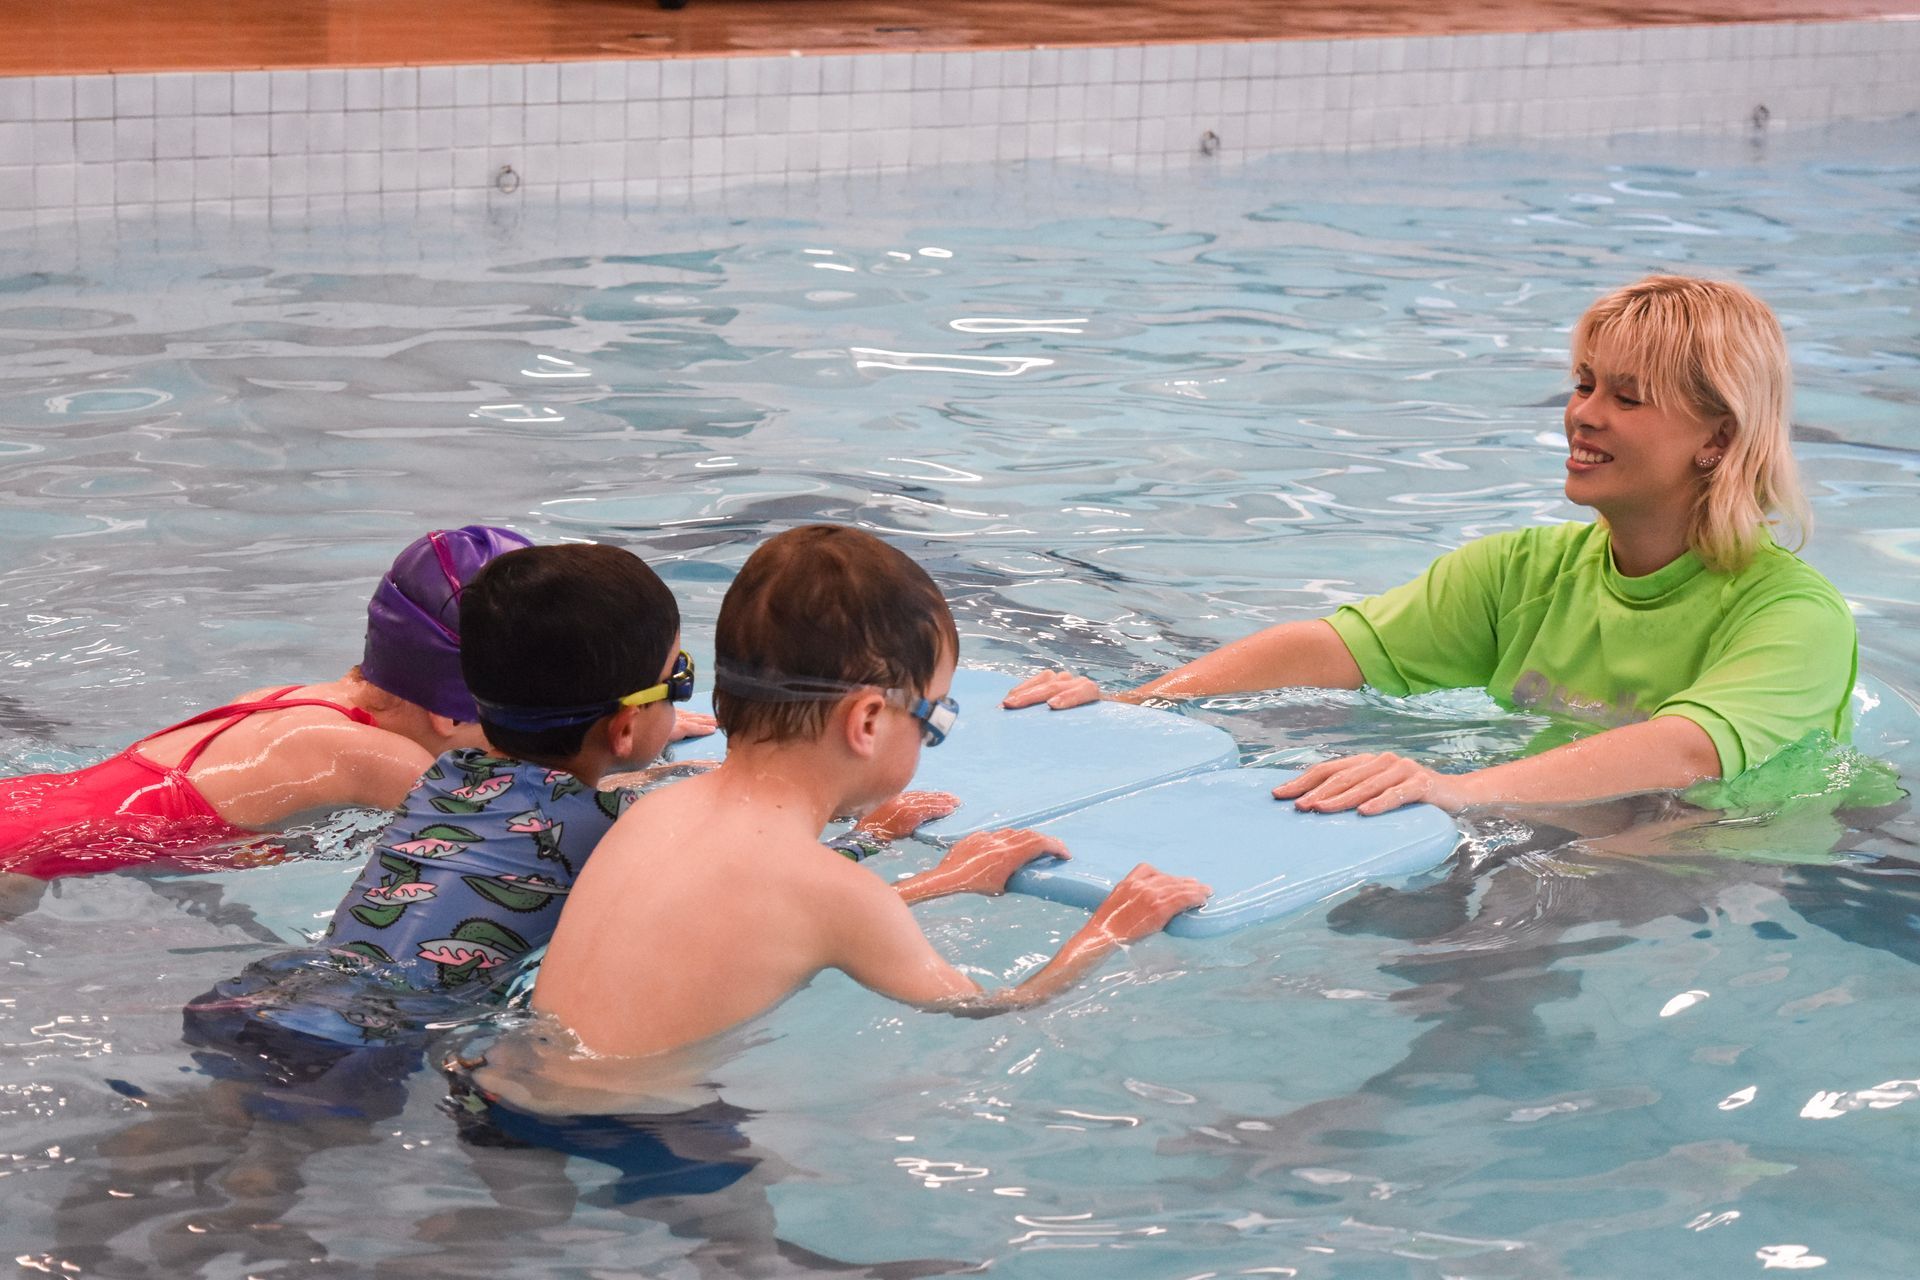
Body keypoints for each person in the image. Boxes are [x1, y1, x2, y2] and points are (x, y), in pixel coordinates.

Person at [1006, 275, 1858, 817]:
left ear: (1718, 437)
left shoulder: (1790, 613)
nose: (1583, 415)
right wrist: (1142, 704)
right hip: (1564, 814)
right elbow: (1338, 647)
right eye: (1583, 384)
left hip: (1742, 855)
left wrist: (1456, 791)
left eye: (1628, 398)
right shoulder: (1523, 572)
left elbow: (1689, 750)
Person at [522, 524, 1211, 1067]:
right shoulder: (833, 893)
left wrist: (942, 881)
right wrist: (1108, 931)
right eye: (935, 719)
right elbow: (988, 1009)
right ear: (868, 722)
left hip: (503, 1079)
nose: (933, 734)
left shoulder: (655, 809)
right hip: (639, 1128)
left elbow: (744, 927)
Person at [0, 526, 537, 879]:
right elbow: (512, 830)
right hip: (17, 857)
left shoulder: (290, 699)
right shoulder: (382, 759)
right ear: (449, 715)